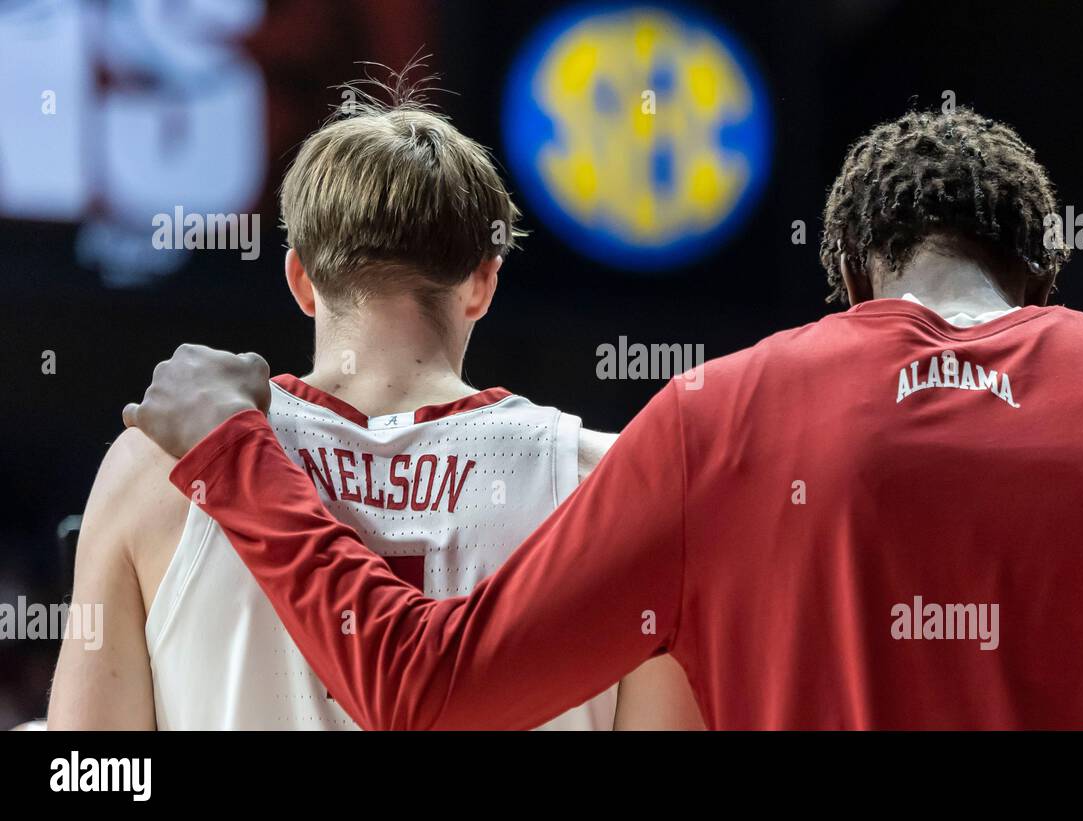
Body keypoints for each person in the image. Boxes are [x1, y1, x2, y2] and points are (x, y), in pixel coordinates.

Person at [123, 108, 1083, 729]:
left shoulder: (718, 412)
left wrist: (237, 456)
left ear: (842, 275)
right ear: (1044, 283)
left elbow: (422, 693)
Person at [48, 87, 702, 730]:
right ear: (482, 281)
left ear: (300, 279)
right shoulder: (613, 480)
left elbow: (87, 773)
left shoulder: (154, 465)